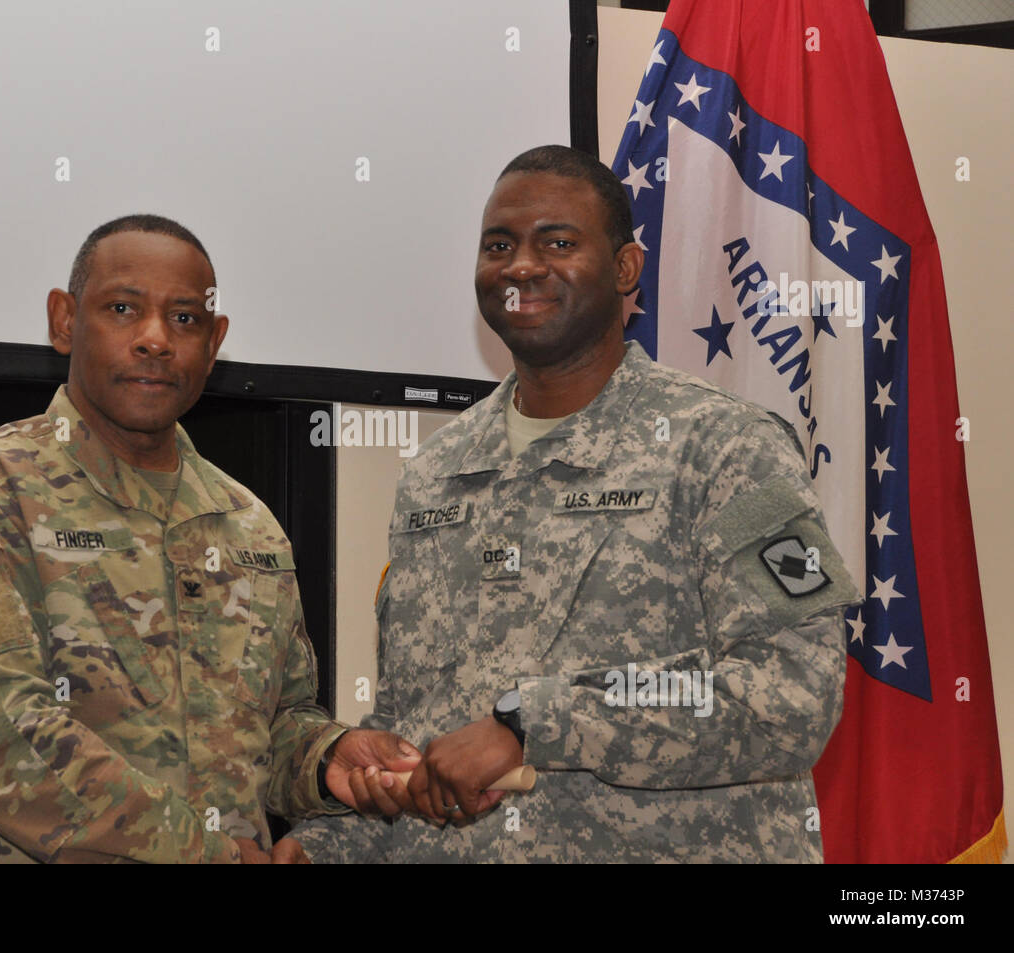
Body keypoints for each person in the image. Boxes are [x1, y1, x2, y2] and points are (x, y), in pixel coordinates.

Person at [276, 146, 861, 863]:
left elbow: (792, 699)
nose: (521, 266)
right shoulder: (436, 473)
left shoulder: (726, 447)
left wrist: (536, 721)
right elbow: (418, 733)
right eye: (500, 245)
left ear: (624, 270)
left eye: (557, 242)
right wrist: (327, 843)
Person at [0, 214, 419, 863]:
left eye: (184, 319)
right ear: (65, 319)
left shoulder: (248, 523)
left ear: (215, 343)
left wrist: (326, 758)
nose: (156, 339)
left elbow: (271, 729)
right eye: (123, 308)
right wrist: (204, 852)